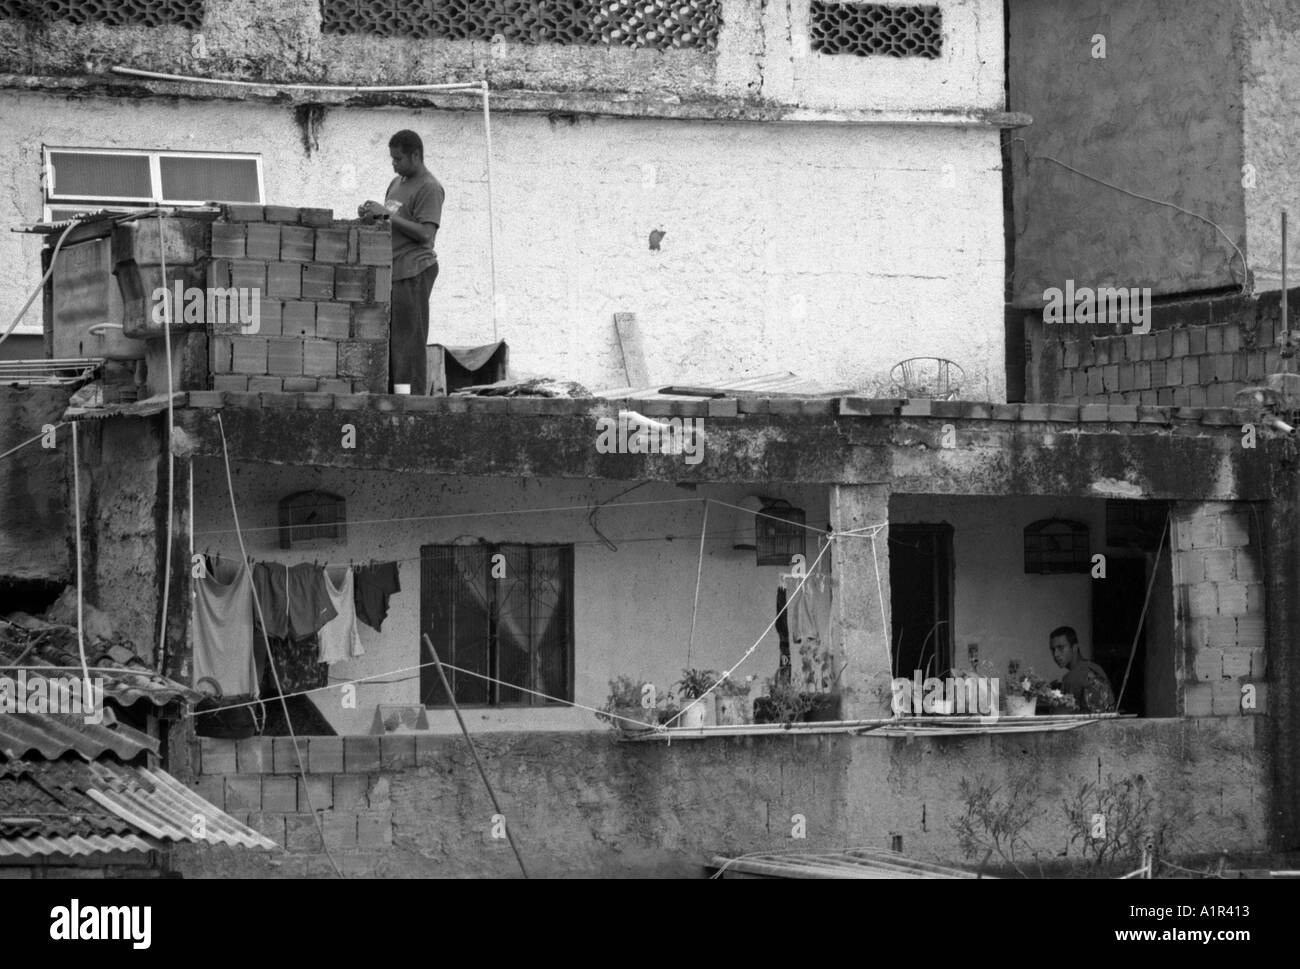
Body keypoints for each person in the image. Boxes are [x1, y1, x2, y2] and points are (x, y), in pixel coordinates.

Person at [358, 130, 445, 395]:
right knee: (394, 340)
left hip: (415, 271)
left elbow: (425, 233)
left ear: (415, 155)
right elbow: (391, 222)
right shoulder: (396, 183)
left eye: (398, 159)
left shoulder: (430, 187)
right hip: (393, 272)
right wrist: (373, 217)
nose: (393, 164)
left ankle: (412, 400)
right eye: (392, 159)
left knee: (409, 342)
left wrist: (386, 215)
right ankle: (397, 396)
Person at [1048, 625, 1115, 713]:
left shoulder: (1073, 676)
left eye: (1061, 648)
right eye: (1053, 650)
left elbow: (1063, 714)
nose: (1056, 654)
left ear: (1075, 647)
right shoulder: (1095, 668)